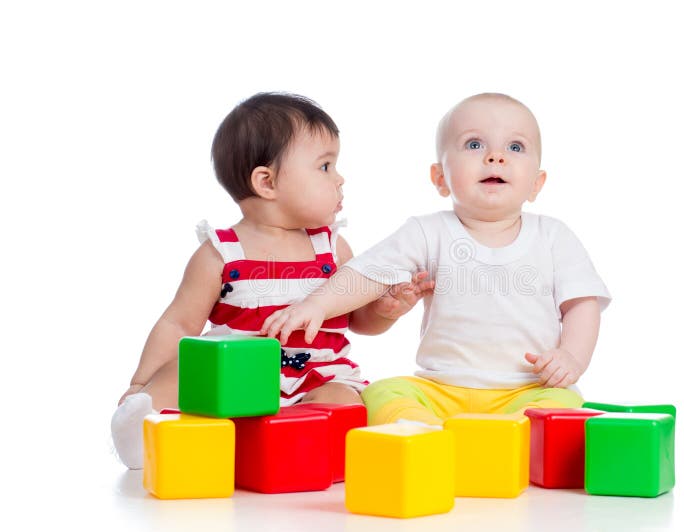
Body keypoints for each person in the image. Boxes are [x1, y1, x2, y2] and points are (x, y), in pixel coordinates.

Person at [110, 92, 432, 468]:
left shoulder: (331, 248)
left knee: (344, 404)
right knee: (179, 374)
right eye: (325, 167)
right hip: (237, 376)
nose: (340, 178)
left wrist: (385, 310)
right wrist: (142, 382)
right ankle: (142, 436)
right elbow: (178, 322)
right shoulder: (222, 253)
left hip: (317, 376)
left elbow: (359, 321)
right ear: (267, 182)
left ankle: (303, 459)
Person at [261, 93, 611, 426]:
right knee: (382, 394)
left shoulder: (553, 237)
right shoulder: (427, 232)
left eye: (515, 147)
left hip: (527, 391)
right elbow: (368, 272)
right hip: (441, 391)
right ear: (440, 178)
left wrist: (572, 357)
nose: (495, 157)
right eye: (474, 144)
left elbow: (581, 303)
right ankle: (439, 438)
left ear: (536, 183)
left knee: (564, 403)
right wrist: (318, 305)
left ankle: (491, 438)